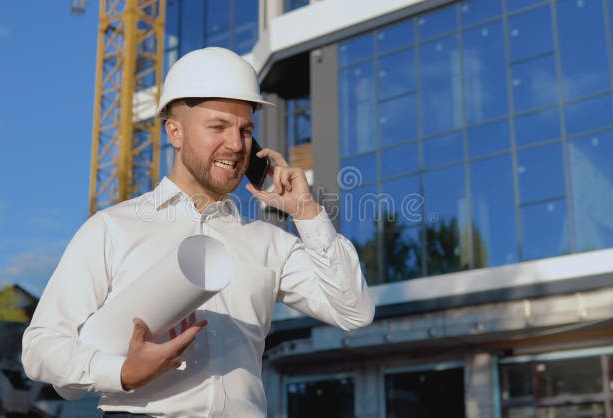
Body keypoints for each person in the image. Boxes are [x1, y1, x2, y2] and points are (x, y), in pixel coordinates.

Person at [21, 47, 374, 417]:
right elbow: (41, 347)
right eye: (218, 126)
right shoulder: (112, 229)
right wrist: (122, 372)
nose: (236, 145)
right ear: (174, 131)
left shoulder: (269, 242)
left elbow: (354, 312)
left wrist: (307, 213)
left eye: (245, 130)